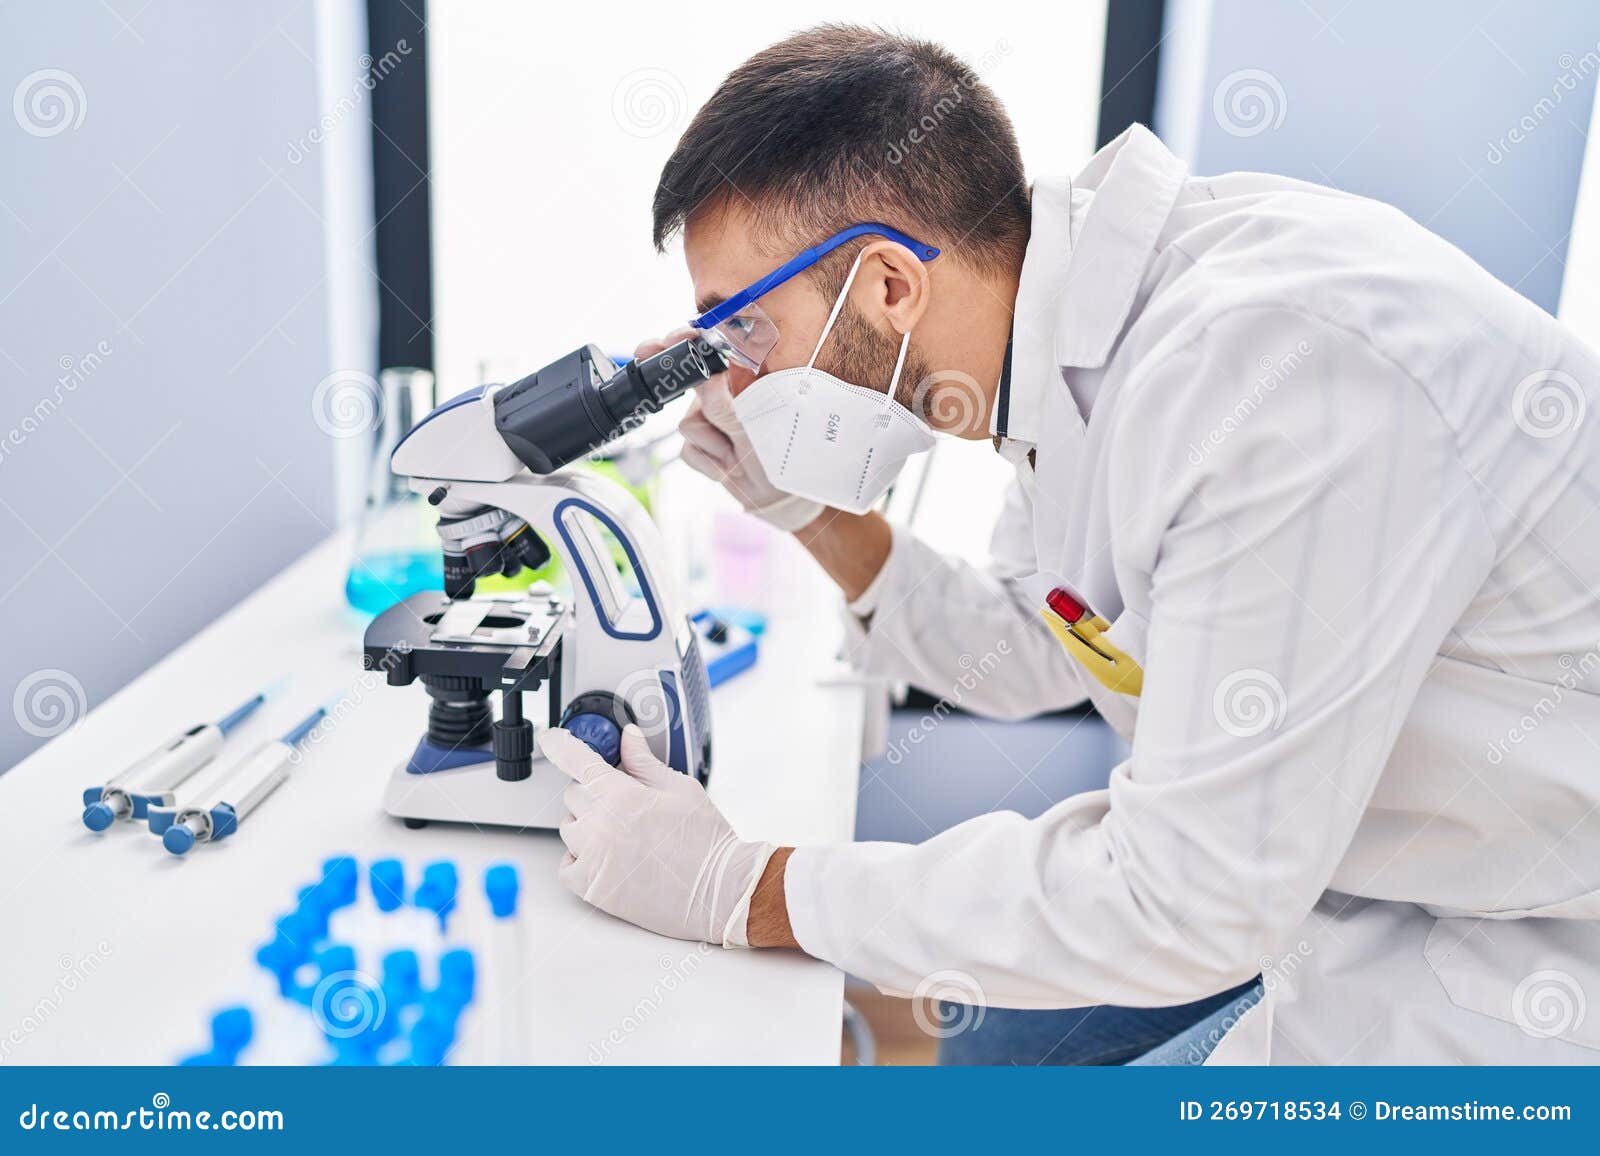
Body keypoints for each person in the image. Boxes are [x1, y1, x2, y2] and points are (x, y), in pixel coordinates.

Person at [538, 24, 1600, 1064]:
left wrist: (744, 886)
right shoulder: (1059, 356)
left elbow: (1179, 901)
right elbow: (1031, 643)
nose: (734, 377)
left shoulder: (1266, 377)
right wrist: (804, 508)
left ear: (888, 285)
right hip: (1337, 853)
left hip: (1529, 935)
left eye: (744, 333)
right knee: (999, 1037)